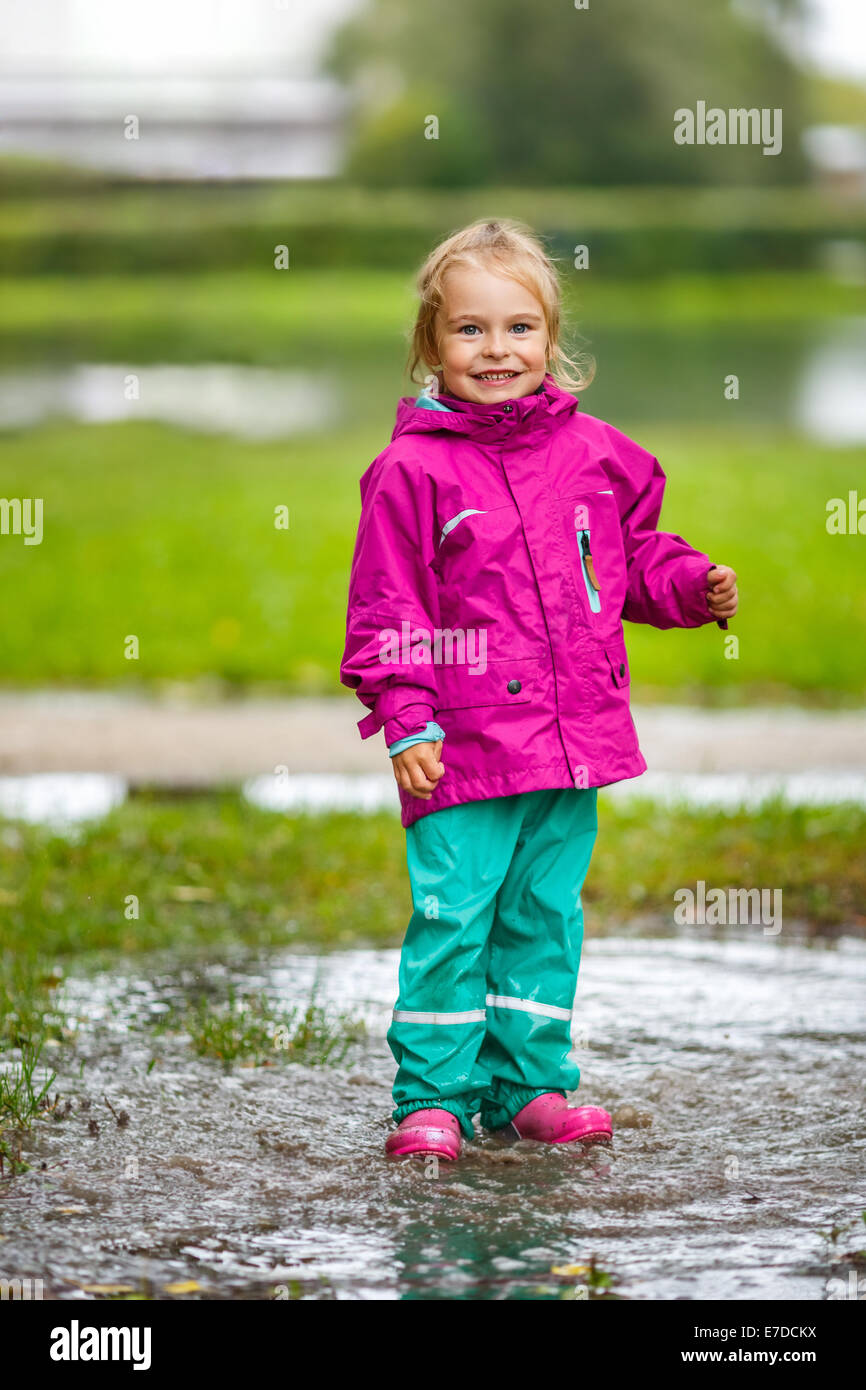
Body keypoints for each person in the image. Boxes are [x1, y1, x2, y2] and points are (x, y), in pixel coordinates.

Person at [340, 218, 738, 1160]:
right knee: (453, 918)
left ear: (552, 342)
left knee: (545, 918)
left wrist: (689, 585)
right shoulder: (413, 471)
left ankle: (529, 1086)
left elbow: (633, 559)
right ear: (430, 346)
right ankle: (431, 1099)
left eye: (519, 329)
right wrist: (405, 717)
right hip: (461, 751)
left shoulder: (594, 455)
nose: (496, 350)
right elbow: (387, 603)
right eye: (469, 330)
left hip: (571, 743)